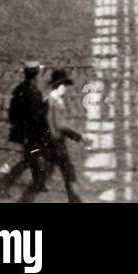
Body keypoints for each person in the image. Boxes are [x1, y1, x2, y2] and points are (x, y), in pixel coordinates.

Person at [0, 62, 47, 199]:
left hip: (23, 131)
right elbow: (35, 115)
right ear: (36, 75)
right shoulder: (33, 92)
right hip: (31, 132)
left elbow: (12, 112)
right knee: (29, 158)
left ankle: (39, 182)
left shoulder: (20, 88)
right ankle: (4, 184)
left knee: (34, 156)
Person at [42, 70, 84, 203]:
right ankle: (75, 199)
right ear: (59, 85)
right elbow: (60, 125)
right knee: (69, 171)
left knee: (50, 169)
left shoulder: (48, 100)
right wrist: (79, 136)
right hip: (56, 142)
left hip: (49, 141)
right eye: (65, 86)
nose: (66, 89)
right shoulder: (55, 101)